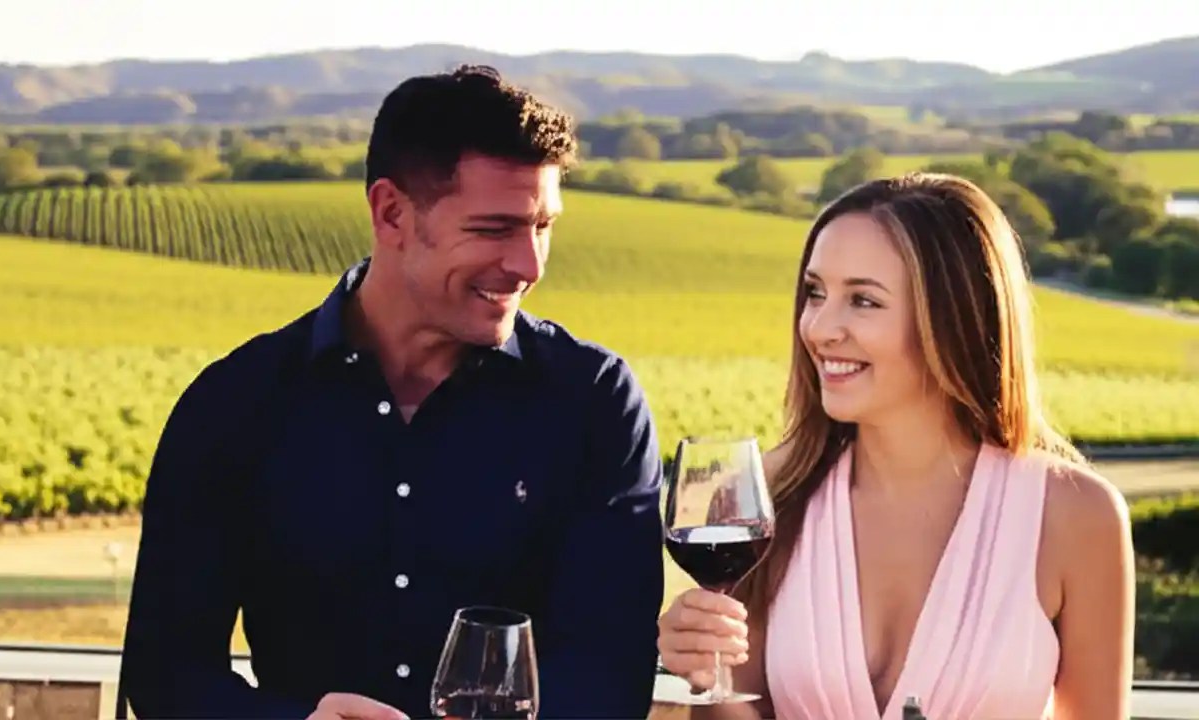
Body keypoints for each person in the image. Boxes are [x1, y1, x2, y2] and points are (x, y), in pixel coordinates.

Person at [120, 64, 666, 720]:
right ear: (391, 213)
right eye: (495, 229)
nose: (528, 265)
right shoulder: (235, 404)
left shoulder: (594, 402)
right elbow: (166, 674)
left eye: (543, 226)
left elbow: (609, 671)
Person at [657, 173, 1136, 720]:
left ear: (954, 318)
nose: (819, 327)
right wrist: (700, 673)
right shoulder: (767, 499)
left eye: (863, 300)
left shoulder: (1078, 514)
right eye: (815, 293)